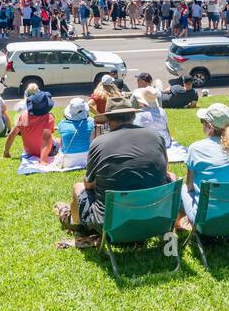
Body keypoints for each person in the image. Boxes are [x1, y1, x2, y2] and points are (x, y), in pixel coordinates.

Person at [56, 96, 172, 234]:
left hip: (110, 222)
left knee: (78, 187)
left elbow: (88, 184)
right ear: (133, 116)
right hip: (155, 215)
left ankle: (76, 225)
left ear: (109, 121)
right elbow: (165, 171)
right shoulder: (156, 137)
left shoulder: (99, 143)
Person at [181, 104, 229, 225]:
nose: (202, 124)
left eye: (202, 121)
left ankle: (182, 223)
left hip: (207, 220)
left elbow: (189, 186)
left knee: (182, 188)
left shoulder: (196, 149)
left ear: (209, 126)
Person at [5, 89, 58, 163]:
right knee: (59, 142)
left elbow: (12, 134)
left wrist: (6, 151)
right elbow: (46, 139)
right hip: (47, 152)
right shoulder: (49, 117)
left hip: (29, 152)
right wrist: (43, 160)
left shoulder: (23, 115)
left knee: (55, 139)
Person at [58, 98, 95, 168]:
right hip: (88, 159)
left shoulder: (62, 124)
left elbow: (62, 145)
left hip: (67, 162)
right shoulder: (91, 122)